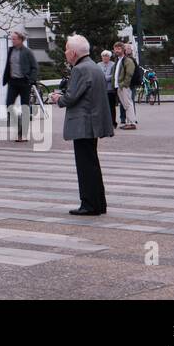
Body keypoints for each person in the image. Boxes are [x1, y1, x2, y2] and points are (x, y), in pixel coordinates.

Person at [49, 34, 113, 215]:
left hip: (83, 124)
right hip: (93, 122)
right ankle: (99, 203)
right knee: (92, 164)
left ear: (74, 53)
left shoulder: (79, 69)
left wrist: (57, 98)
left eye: (67, 49)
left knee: (85, 166)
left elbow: (71, 97)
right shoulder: (93, 66)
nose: (65, 52)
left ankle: (89, 205)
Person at [2, 31, 39, 142]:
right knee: (8, 104)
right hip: (13, 82)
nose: (12, 41)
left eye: (14, 39)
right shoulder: (11, 50)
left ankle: (22, 134)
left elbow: (35, 67)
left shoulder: (27, 52)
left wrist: (30, 79)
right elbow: (8, 65)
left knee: (25, 107)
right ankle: (18, 122)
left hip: (24, 82)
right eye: (11, 39)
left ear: (20, 40)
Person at [114, 42, 137, 130]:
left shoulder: (127, 60)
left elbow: (129, 74)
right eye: (115, 49)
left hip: (124, 86)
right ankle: (128, 122)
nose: (117, 50)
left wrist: (124, 84)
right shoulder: (119, 60)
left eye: (119, 49)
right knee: (125, 105)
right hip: (119, 86)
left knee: (128, 104)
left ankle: (131, 123)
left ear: (123, 50)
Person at [99, 50, 117, 127]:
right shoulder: (98, 65)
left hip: (110, 89)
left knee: (111, 107)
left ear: (109, 57)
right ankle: (103, 122)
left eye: (107, 56)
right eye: (103, 56)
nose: (105, 57)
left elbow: (113, 75)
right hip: (101, 89)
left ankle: (113, 122)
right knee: (101, 107)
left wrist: (104, 78)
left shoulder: (113, 64)